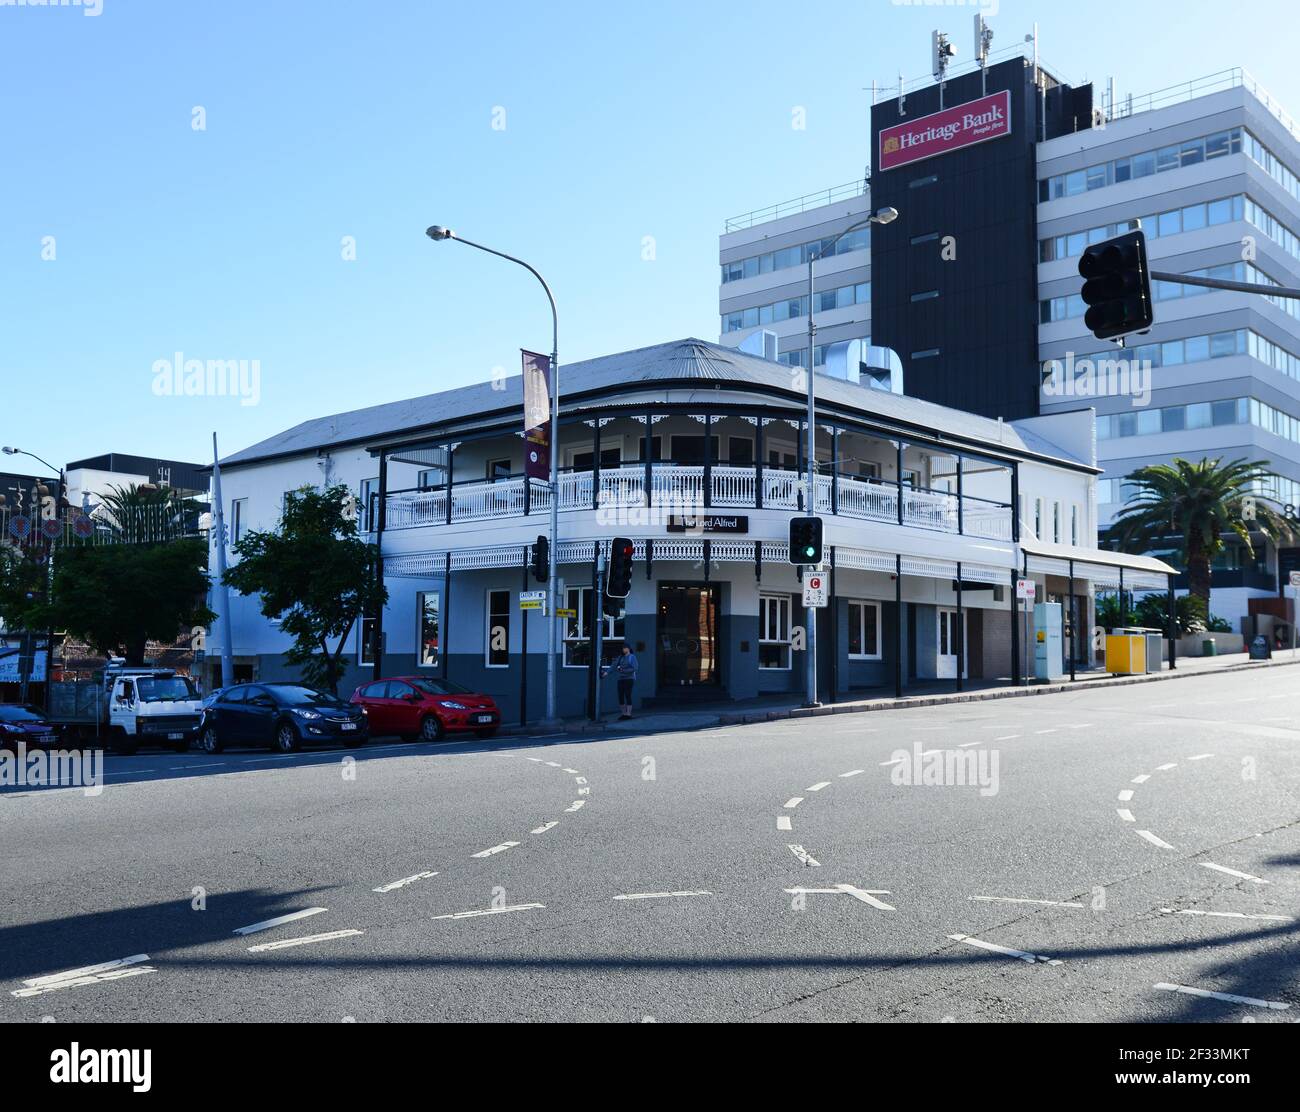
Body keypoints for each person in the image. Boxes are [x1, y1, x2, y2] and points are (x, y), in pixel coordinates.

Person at [613, 644, 638, 721]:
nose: (623, 650)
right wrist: (607, 672)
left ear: (628, 649)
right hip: (621, 679)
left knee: (627, 695)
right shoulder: (621, 657)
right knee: (620, 696)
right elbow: (614, 665)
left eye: (625, 648)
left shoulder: (632, 657)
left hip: (629, 679)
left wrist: (624, 671)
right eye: (623, 648)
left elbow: (635, 668)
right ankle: (624, 714)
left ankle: (628, 714)